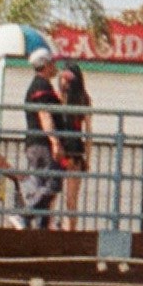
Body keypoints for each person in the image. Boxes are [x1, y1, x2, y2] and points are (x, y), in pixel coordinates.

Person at [45, 52, 93, 222]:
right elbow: (88, 132)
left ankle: (52, 230)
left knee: (56, 197)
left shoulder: (61, 98)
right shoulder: (82, 99)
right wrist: (87, 157)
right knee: (68, 200)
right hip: (72, 150)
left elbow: (88, 132)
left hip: (63, 150)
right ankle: (66, 231)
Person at [22, 46, 66, 225]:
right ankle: (25, 214)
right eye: (53, 62)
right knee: (53, 182)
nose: (55, 66)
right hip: (42, 144)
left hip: (37, 143)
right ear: (46, 65)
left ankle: (40, 229)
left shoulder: (40, 86)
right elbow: (44, 114)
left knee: (40, 186)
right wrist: (55, 141)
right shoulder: (41, 86)